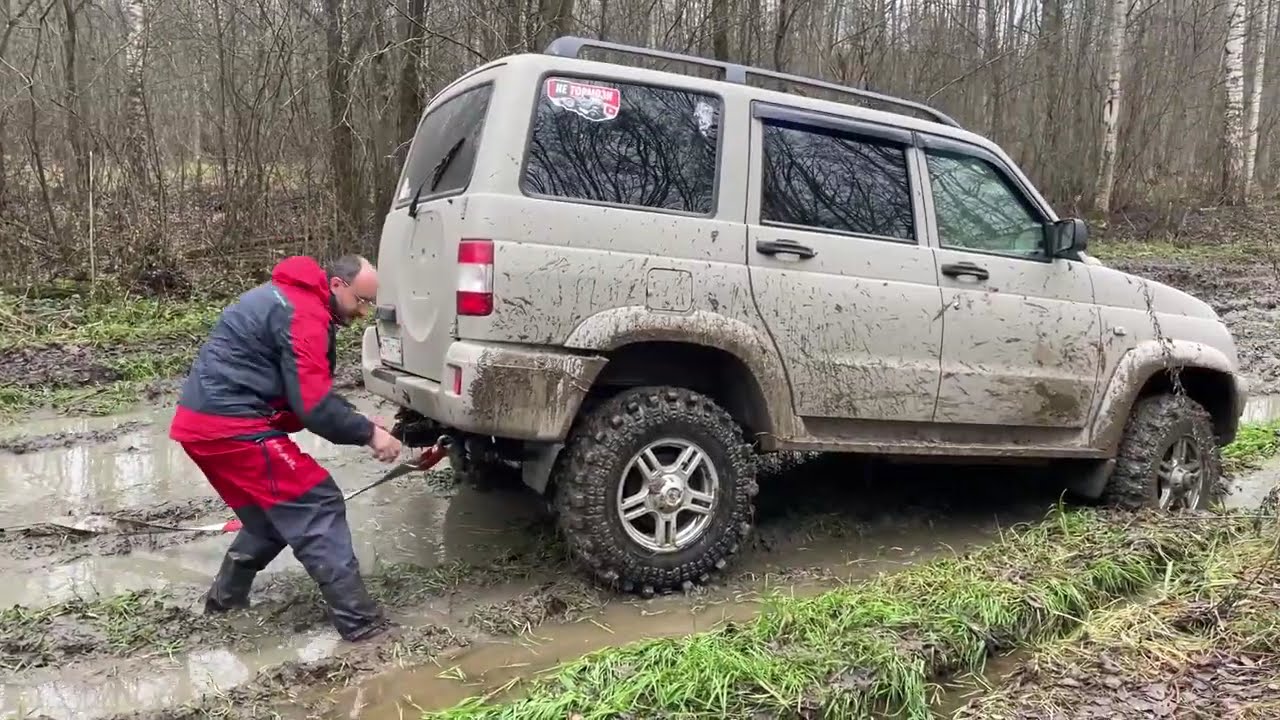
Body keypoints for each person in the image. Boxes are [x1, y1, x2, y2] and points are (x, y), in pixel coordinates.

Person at [168, 253, 404, 642]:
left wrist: (361, 423)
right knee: (317, 502)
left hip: (201, 427)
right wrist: (369, 435)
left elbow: (299, 399)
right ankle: (364, 628)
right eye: (362, 301)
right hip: (233, 428)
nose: (363, 313)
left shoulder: (284, 298)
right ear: (336, 285)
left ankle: (224, 604)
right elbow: (311, 408)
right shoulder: (304, 314)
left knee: (269, 519)